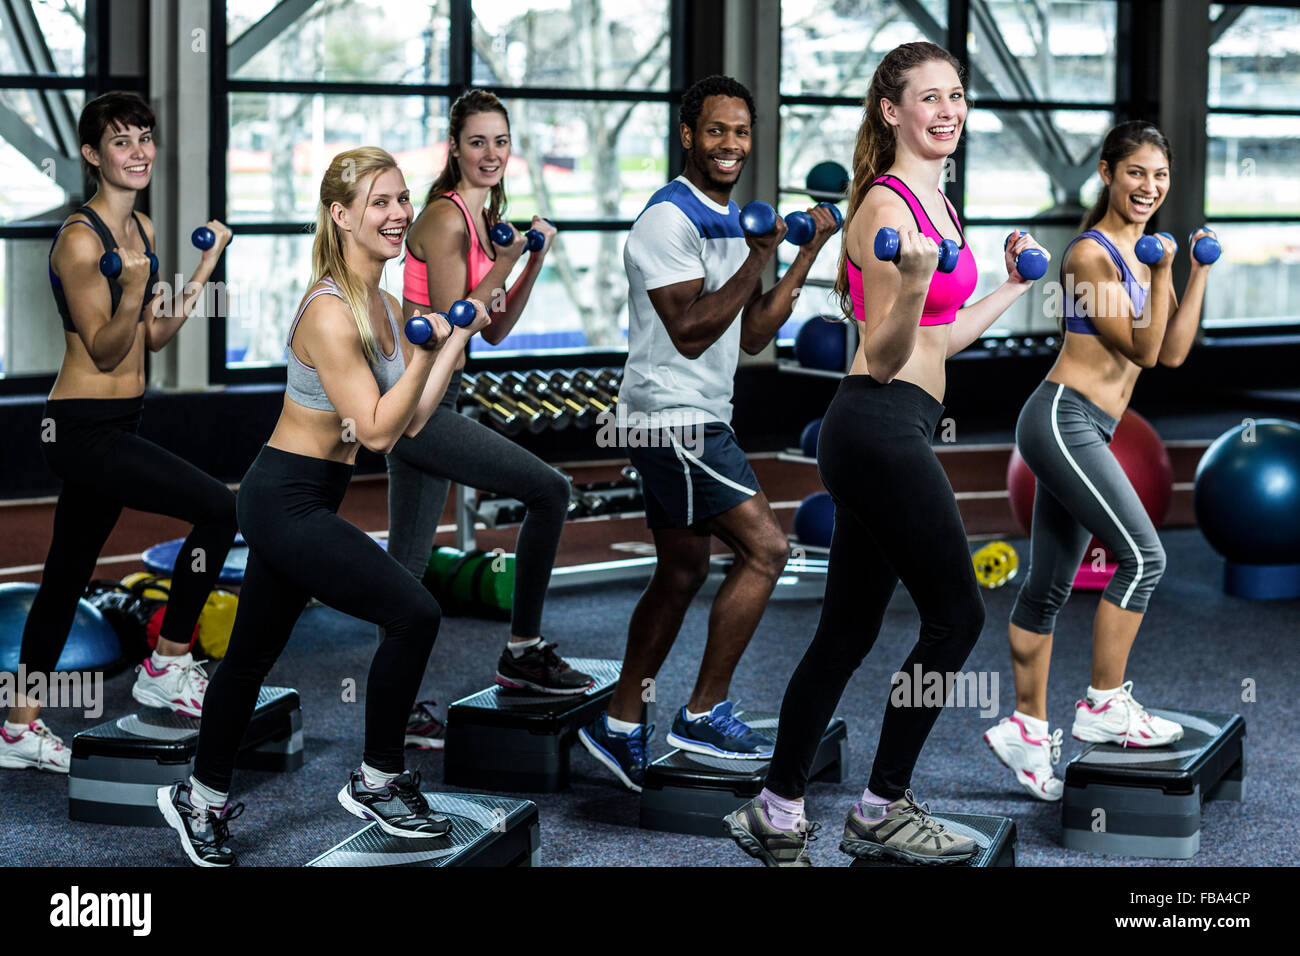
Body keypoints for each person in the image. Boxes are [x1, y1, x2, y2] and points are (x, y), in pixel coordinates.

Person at [724, 41, 1048, 866]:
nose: (948, 112)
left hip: (893, 425)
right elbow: (883, 351)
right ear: (891, 111)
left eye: (956, 97)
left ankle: (777, 804)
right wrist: (907, 282)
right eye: (928, 98)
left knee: (845, 633)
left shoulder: (939, 210)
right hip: (874, 423)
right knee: (959, 615)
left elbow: (944, 335)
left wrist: (1007, 287)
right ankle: (881, 806)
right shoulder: (883, 211)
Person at [157, 147, 489, 867]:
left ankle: (199, 798)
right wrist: (430, 353)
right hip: (284, 498)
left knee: (247, 660)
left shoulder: (389, 306)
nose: (399, 214)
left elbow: (415, 421)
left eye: (402, 199)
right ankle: (376, 778)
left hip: (308, 496)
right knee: (415, 612)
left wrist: (450, 342)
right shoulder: (329, 311)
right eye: (380, 202)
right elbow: (374, 431)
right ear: (340, 215)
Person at [578, 74, 839, 792]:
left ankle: (621, 723)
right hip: (674, 417)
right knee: (767, 549)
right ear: (688, 136)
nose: (731, 145)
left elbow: (753, 329)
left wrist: (802, 253)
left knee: (683, 570)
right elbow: (690, 331)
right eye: (716, 131)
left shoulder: (730, 219)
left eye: (741, 132)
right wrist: (760, 252)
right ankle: (702, 711)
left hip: (694, 413)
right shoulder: (669, 220)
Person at [0, 92, 236, 775]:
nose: (138, 153)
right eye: (122, 142)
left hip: (120, 418)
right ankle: (168, 662)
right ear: (91, 154)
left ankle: (18, 727)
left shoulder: (146, 232)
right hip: (78, 428)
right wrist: (132, 288)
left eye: (145, 139)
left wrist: (201, 270)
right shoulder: (81, 238)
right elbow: (103, 350)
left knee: (66, 576)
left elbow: (153, 338)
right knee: (220, 508)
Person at [982, 121, 1207, 801]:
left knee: (1048, 586)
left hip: (1090, 427)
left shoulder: (1147, 253)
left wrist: (1194, 272)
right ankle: (1103, 705)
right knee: (1145, 557)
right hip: (1061, 418)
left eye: (1160, 176)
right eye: (1137, 172)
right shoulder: (1089, 257)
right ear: (1107, 173)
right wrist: (1164, 268)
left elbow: (1171, 353)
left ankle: (1025, 728)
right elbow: (1141, 349)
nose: (1150, 187)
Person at [394, 89, 591, 749]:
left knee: (406, 565)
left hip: (437, 398)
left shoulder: (483, 222)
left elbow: (497, 330)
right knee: (550, 489)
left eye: (500, 142)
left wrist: (528, 260)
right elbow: (459, 320)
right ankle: (523, 650)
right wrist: (505, 262)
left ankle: (391, 711)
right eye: (477, 142)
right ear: (455, 148)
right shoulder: (446, 220)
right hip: (417, 405)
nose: (491, 154)